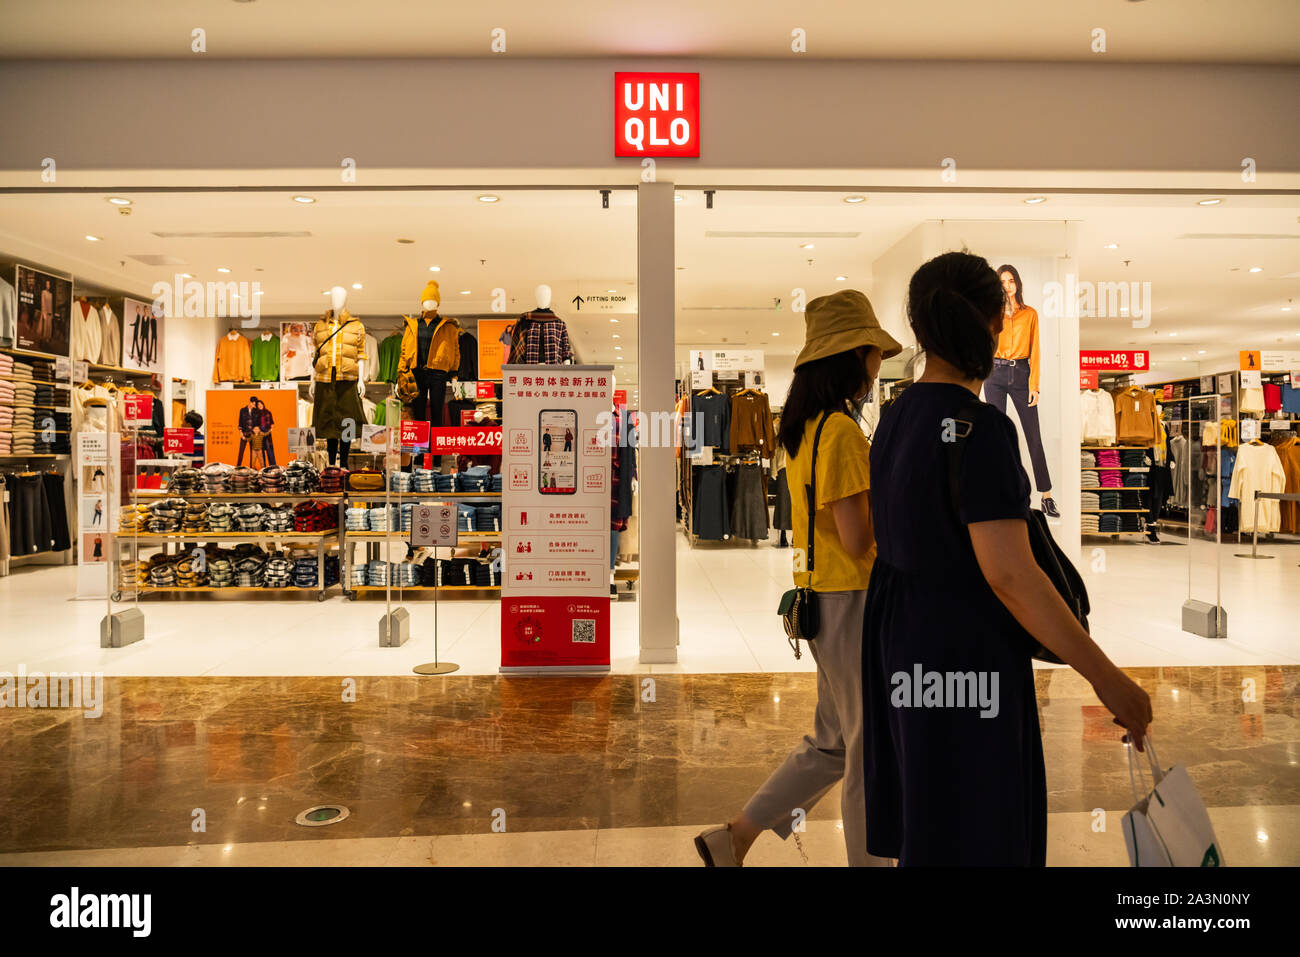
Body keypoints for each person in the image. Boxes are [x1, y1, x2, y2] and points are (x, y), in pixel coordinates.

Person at [861, 251, 1152, 866]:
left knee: (931, 815)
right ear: (995, 327)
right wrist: (1107, 678)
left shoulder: (893, 419)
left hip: (902, 645)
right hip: (969, 651)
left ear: (919, 330)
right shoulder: (980, 428)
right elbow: (1011, 575)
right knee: (982, 822)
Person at [695, 289, 901, 867]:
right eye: (874, 354)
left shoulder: (804, 429)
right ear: (854, 357)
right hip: (854, 599)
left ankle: (734, 835)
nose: (878, 366)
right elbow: (860, 538)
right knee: (866, 751)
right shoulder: (839, 431)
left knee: (833, 744)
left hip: (819, 598)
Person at [983, 264, 1057, 516]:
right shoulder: (991, 314)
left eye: (1011, 280)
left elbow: (1035, 351)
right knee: (996, 435)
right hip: (994, 373)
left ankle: (1046, 494)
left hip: (1022, 373)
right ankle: (997, 491)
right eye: (1002, 281)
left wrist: (1034, 385)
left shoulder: (1030, 314)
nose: (1007, 285)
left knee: (1033, 436)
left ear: (1017, 284)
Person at [255, 397, 277, 466]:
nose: (260, 405)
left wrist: (270, 430)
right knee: (261, 451)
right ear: (257, 407)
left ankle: (273, 466)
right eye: (258, 405)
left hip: (267, 432)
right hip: (260, 433)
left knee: (269, 449)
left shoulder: (268, 412)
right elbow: (256, 425)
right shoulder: (256, 414)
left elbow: (272, 423)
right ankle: (263, 467)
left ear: (263, 404)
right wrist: (259, 431)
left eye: (260, 404)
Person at [236, 398, 257, 467]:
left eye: (255, 404)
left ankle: (251, 467)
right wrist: (240, 432)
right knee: (241, 451)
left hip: (252, 434)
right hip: (244, 433)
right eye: (253, 404)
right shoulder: (242, 410)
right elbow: (240, 422)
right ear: (250, 402)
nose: (254, 406)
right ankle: (238, 466)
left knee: (252, 452)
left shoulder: (255, 411)